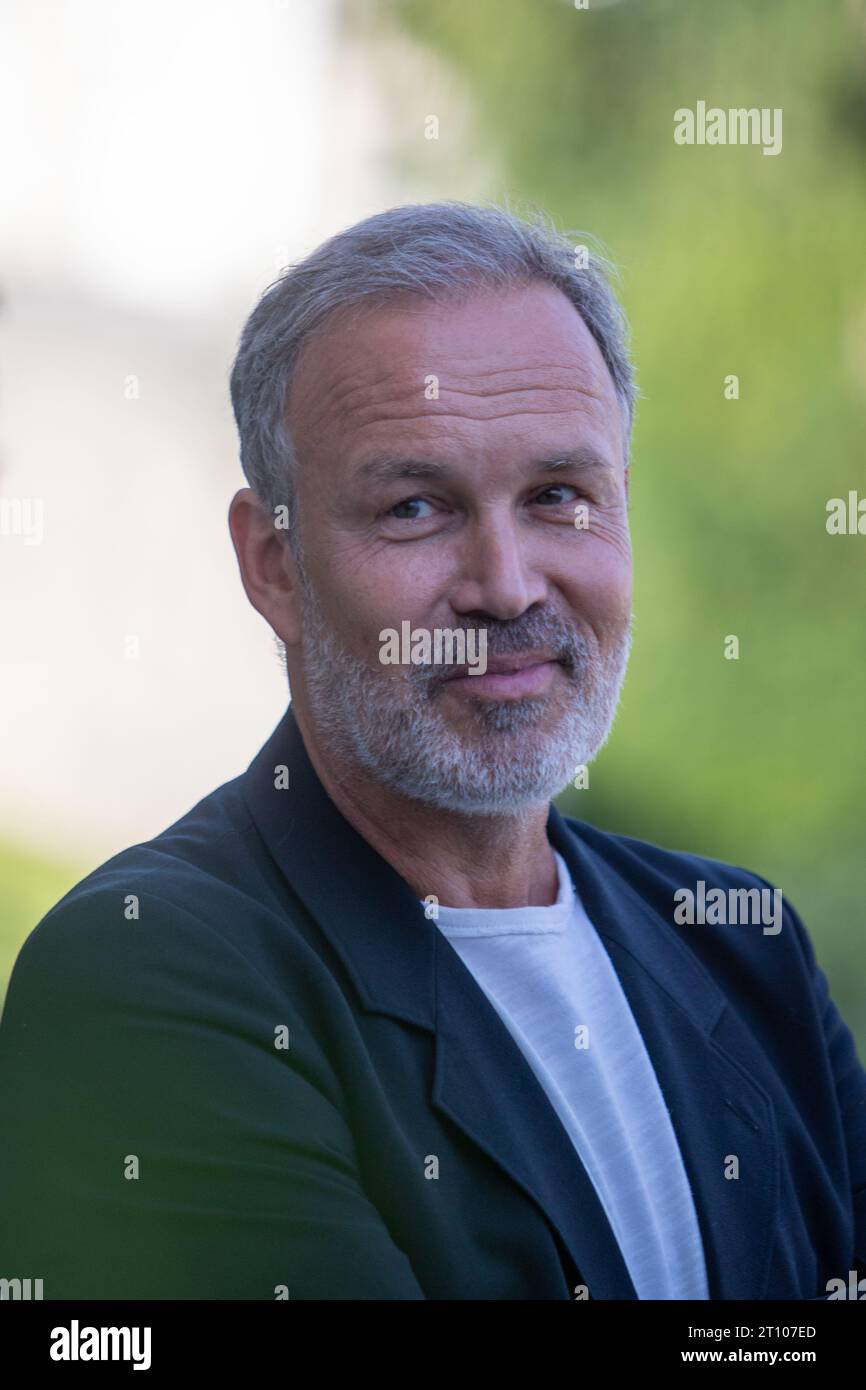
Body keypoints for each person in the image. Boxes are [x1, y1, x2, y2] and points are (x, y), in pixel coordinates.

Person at [1, 202, 864, 1300]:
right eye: (414, 507)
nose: (504, 584)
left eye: (558, 497)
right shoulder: (151, 980)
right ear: (273, 564)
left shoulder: (741, 949)